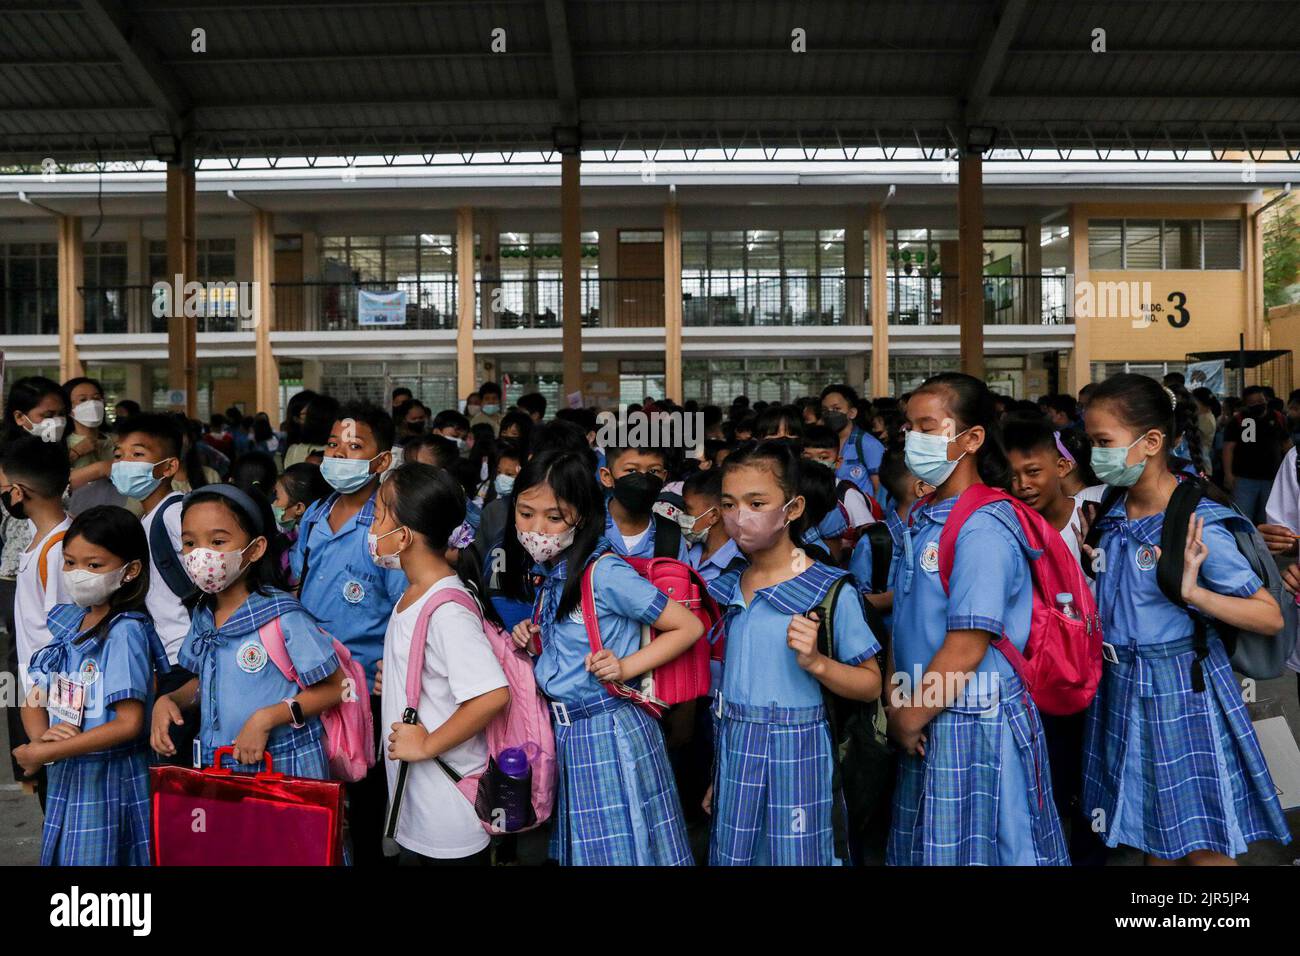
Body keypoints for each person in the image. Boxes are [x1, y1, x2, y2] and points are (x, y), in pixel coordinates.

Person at [1080, 373, 1290, 864]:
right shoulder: (1112, 508)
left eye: (1103, 442)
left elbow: (1269, 616)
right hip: (1123, 685)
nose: (1095, 454)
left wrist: (1195, 592)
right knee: (1159, 835)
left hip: (1180, 689)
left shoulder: (1197, 522)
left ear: (1151, 441)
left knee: (1201, 844)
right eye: (1090, 442)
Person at [887, 372, 1069, 865]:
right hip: (930, 711)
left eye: (927, 426)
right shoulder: (925, 515)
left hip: (973, 719)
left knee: (992, 848)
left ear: (970, 439)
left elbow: (967, 644)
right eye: (908, 427)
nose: (911, 438)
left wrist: (908, 715)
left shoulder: (983, 528)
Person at [503, 448, 702, 865]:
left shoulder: (604, 572)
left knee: (621, 854)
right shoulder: (553, 573)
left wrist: (626, 666)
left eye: (554, 517)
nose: (536, 527)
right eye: (525, 513)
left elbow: (688, 626)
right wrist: (535, 638)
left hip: (607, 729)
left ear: (583, 515)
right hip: (569, 733)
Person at [706, 441, 882, 865]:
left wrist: (817, 663)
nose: (740, 515)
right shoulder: (729, 584)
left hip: (799, 750)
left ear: (794, 507)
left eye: (757, 501)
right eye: (729, 503)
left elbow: (870, 683)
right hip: (736, 751)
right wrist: (718, 774)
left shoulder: (827, 589)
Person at [151, 484, 346, 778]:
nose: (201, 555)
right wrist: (170, 700)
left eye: (217, 542)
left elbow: (337, 688)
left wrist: (267, 718)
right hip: (219, 766)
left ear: (255, 549)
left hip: (282, 767)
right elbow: (208, 682)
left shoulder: (283, 617)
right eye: (190, 543)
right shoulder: (204, 616)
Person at [17, 506, 169, 865]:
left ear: (130, 570)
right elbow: (34, 695)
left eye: (94, 565)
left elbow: (129, 723)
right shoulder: (69, 625)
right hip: (71, 771)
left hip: (109, 778)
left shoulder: (125, 632)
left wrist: (46, 753)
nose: (77, 574)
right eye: (70, 563)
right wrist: (40, 740)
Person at [288, 402, 405, 864]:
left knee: (367, 787)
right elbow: (299, 582)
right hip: (313, 675)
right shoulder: (316, 515)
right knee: (320, 782)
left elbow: (402, 606)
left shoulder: (386, 524)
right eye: (334, 444)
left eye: (354, 447)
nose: (339, 454)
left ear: (380, 462)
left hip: (367, 682)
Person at [375, 463, 509, 866]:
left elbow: (491, 695)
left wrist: (427, 743)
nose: (373, 524)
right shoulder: (414, 593)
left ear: (403, 536)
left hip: (448, 808)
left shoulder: (446, 609)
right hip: (421, 802)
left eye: (381, 513)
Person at [108, 413, 195, 766]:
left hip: (187, 660)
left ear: (168, 466)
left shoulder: (173, 516)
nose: (124, 463)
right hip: (169, 661)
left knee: (177, 767)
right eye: (118, 455)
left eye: (138, 454)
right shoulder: (146, 518)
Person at [1, 435, 72, 804]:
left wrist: (39, 734)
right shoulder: (42, 541)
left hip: (52, 708)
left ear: (17, 492)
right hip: (36, 700)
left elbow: (62, 642)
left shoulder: (59, 550)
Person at [599, 444, 688, 560]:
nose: (643, 479)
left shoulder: (671, 538)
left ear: (664, 477)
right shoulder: (586, 527)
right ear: (607, 477)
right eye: (631, 470)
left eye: (653, 471)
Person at [1223, 385, 1287, 523]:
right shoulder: (1238, 420)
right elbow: (1229, 448)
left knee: (1270, 518)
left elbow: (1287, 444)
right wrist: (1228, 474)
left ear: (1266, 400)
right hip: (1245, 478)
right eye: (1253, 402)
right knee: (1243, 517)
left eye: (1260, 400)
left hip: (1273, 478)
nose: (1258, 404)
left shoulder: (1277, 418)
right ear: (1246, 404)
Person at [63, 376, 127, 514]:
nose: (92, 404)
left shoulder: (118, 440)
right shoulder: (61, 442)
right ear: (68, 408)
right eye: (83, 400)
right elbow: (49, 479)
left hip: (117, 513)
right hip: (77, 516)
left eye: (96, 398)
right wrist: (76, 452)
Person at [820, 383, 885, 496]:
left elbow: (879, 488)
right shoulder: (822, 443)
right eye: (825, 410)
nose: (830, 414)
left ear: (852, 413)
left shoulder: (868, 444)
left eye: (836, 409)